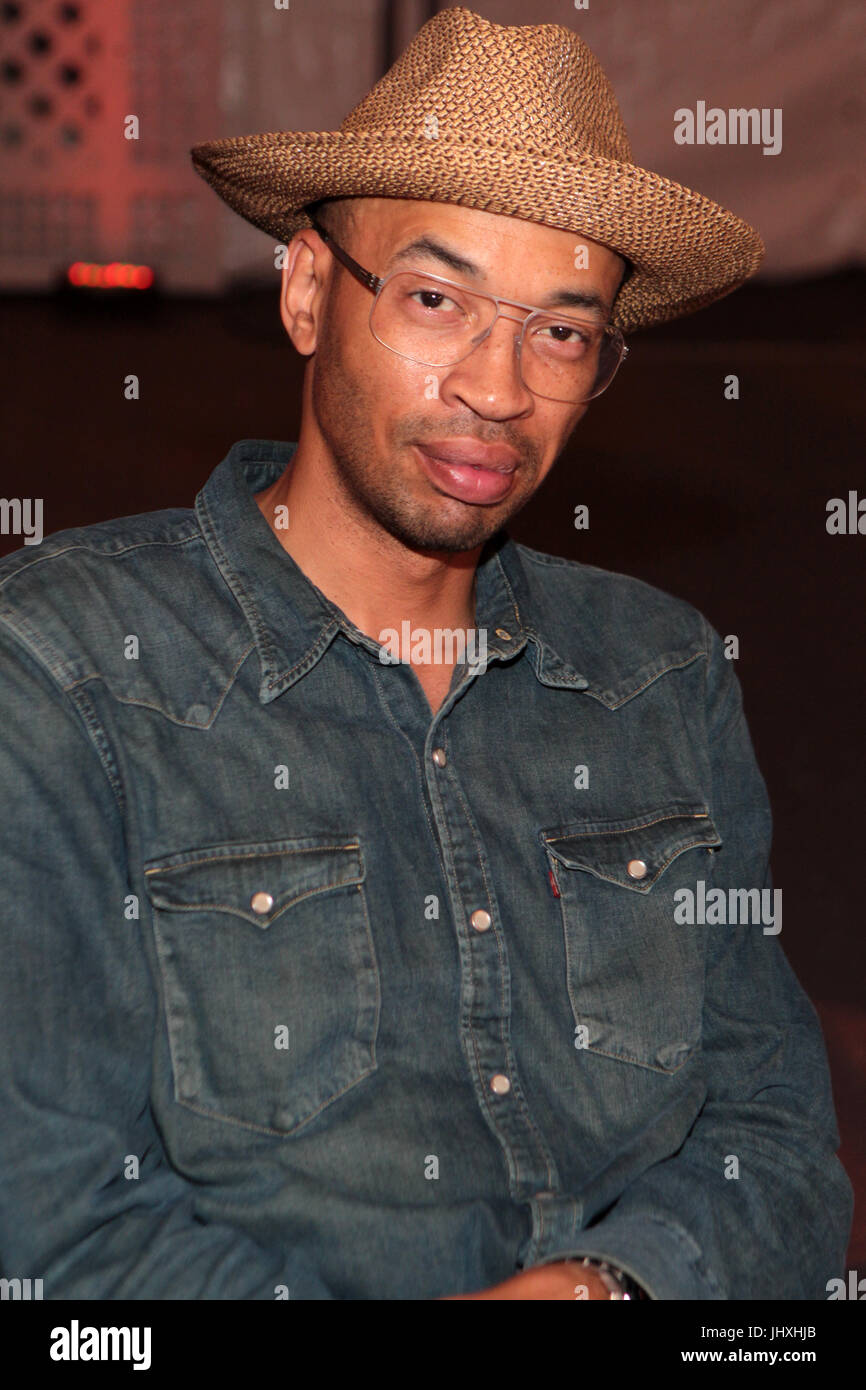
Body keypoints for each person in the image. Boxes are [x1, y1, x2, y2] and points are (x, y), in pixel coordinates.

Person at [0, 7, 852, 1300]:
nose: (497, 386)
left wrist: (600, 1286)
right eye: (436, 298)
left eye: (561, 330)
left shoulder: (657, 672)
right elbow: (51, 1229)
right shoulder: (67, 668)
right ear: (304, 291)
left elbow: (778, 1150)